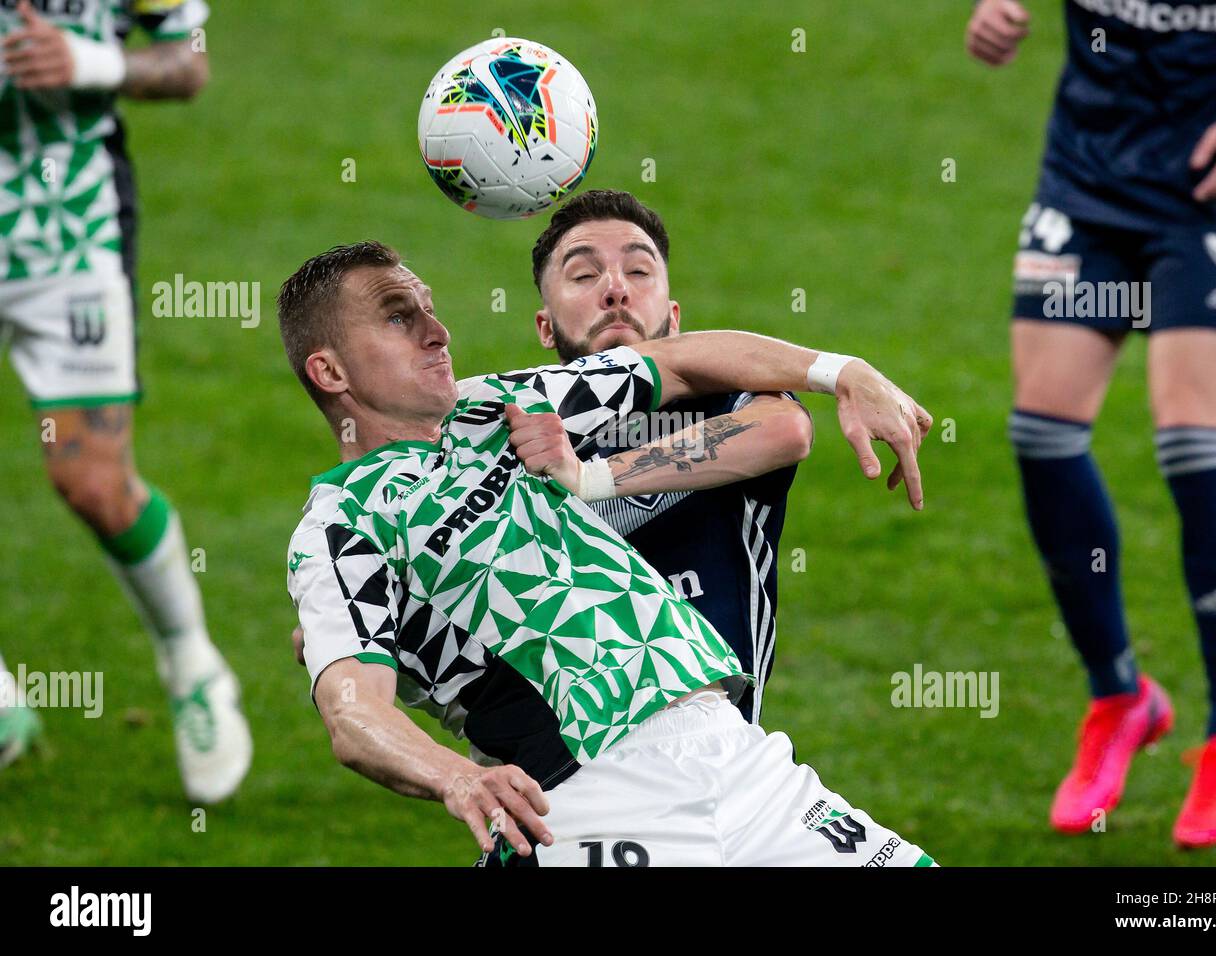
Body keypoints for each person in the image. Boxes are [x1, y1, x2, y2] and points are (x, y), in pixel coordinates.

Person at [279, 240, 935, 866]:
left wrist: (842, 372)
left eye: (428, 307)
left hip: (738, 757)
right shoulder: (341, 523)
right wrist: (454, 778)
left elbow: (677, 361)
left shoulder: (499, 405)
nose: (438, 331)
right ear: (329, 370)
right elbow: (353, 710)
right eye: (399, 317)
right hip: (599, 789)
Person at [966, 0, 1216, 846]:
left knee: (1191, 436)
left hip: (1211, 176)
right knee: (1042, 431)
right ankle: (1120, 697)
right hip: (1087, 170)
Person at [0, 0, 251, 802]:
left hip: (69, 235)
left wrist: (90, 64)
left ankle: (189, 658)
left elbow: (189, 60)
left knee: (96, 487)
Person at [527, 189, 817, 724]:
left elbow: (787, 430)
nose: (615, 290)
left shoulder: (724, 405)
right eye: (584, 276)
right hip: (563, 785)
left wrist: (589, 480)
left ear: (675, 318)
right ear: (545, 326)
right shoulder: (525, 432)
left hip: (722, 762)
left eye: (638, 272)